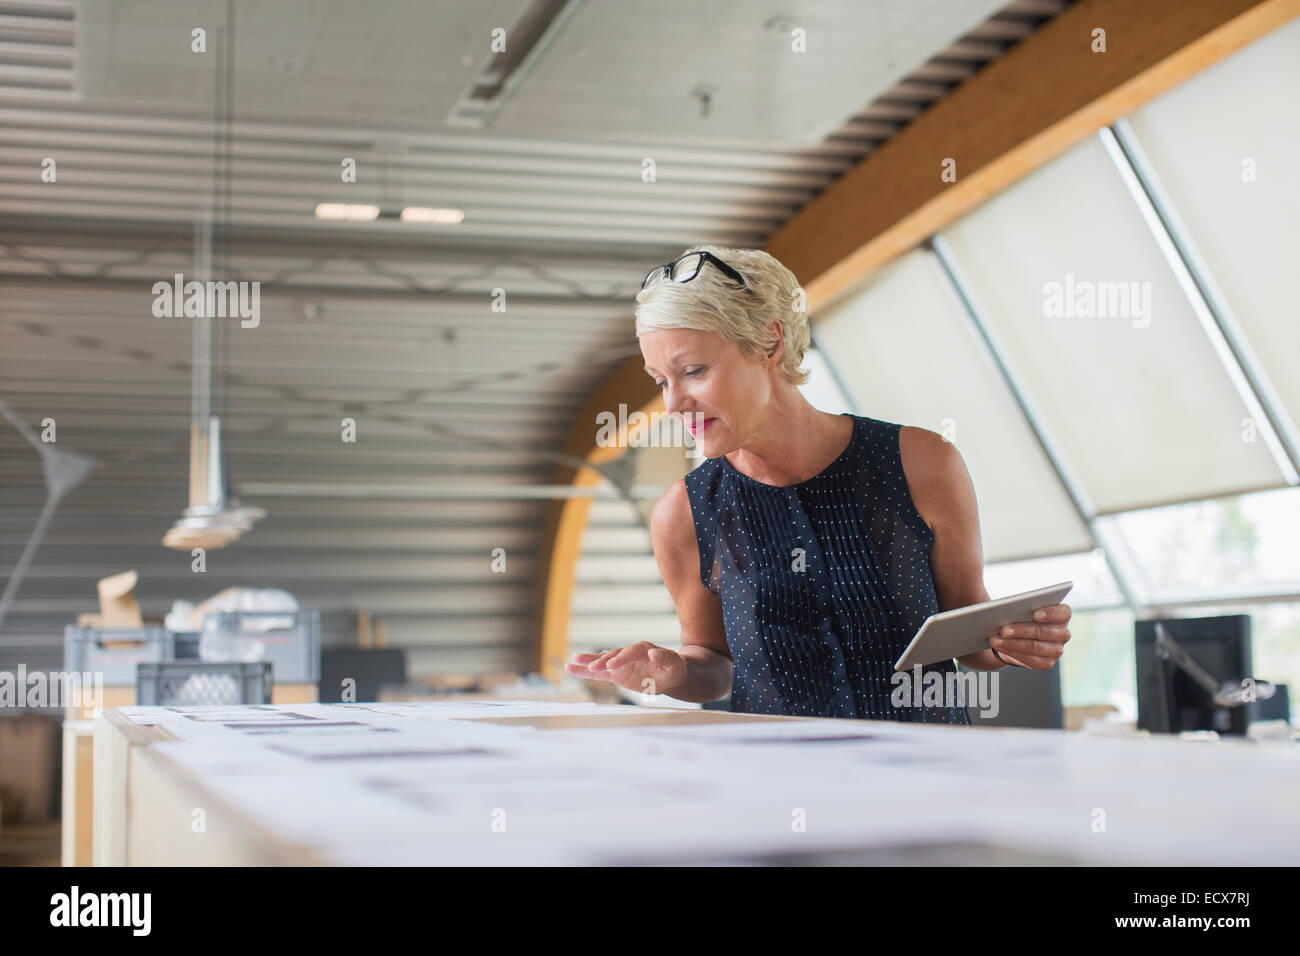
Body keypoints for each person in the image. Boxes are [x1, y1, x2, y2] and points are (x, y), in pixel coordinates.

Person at [566, 244, 1071, 721]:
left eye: (693, 370)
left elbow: (970, 635)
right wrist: (674, 673)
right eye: (661, 381)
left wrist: (1011, 643)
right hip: (778, 791)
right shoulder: (683, 513)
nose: (674, 404)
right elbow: (713, 666)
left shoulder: (922, 463)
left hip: (931, 779)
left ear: (771, 341)